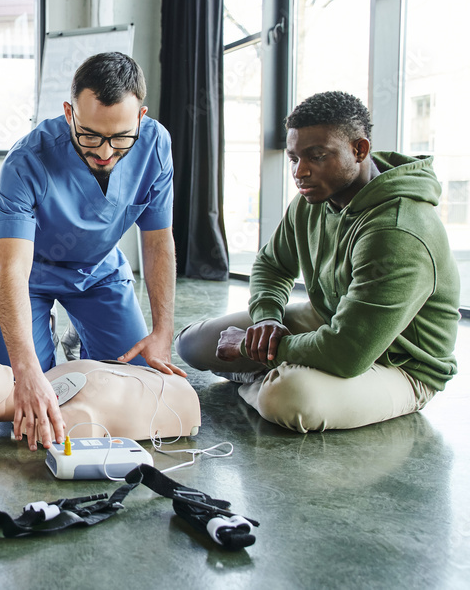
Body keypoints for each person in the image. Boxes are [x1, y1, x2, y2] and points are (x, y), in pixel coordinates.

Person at [175, 91, 460, 432]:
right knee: (192, 345)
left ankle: (270, 379)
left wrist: (273, 350)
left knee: (287, 399)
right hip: (331, 320)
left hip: (401, 366)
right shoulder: (313, 199)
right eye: (294, 158)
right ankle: (277, 370)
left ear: (359, 150)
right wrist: (268, 320)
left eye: (316, 156)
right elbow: (272, 264)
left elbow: (349, 351)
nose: (301, 171)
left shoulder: (398, 230)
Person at [0, 51, 184, 451]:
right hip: (30, 277)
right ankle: (50, 344)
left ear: (141, 118)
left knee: (137, 384)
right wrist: (27, 370)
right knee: (26, 407)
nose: (105, 152)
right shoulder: (25, 162)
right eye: (90, 135)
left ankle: (76, 340)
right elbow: (11, 273)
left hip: (98, 270)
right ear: (69, 113)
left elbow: (158, 242)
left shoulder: (156, 144)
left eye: (121, 137)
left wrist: (162, 330)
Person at [0, 356, 200, 440]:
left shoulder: (51, 376)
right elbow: (86, 426)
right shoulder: (50, 425)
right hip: (183, 407)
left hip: (174, 384)